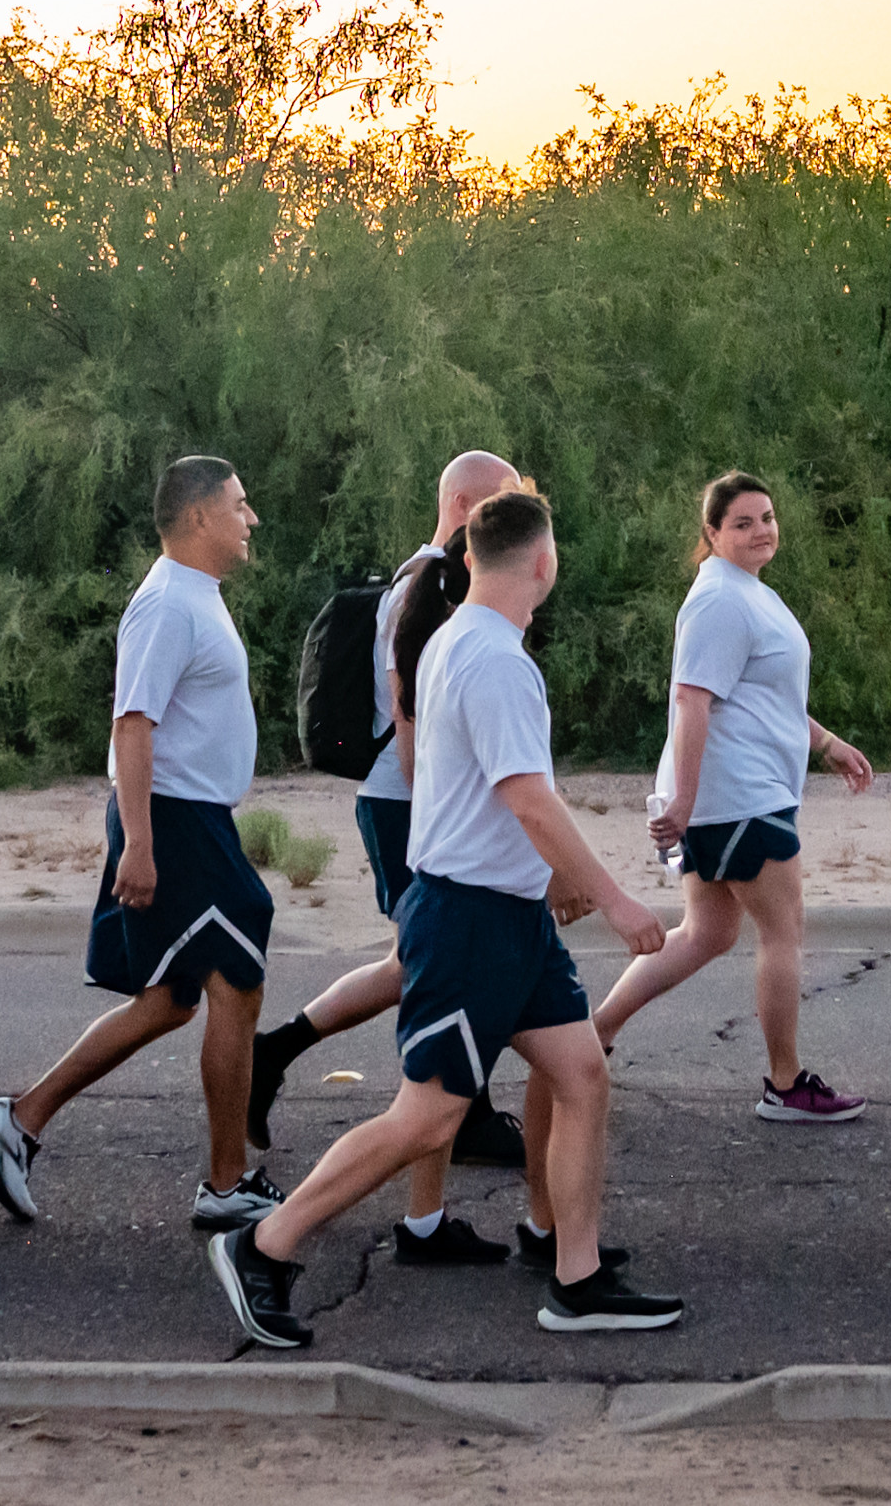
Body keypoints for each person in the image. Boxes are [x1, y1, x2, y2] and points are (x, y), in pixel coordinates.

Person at [212, 490, 684, 1345]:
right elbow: (528, 799)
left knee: (580, 1074)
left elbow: (470, 792)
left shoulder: (453, 641)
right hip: (469, 919)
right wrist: (614, 898)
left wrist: (543, 885)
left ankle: (574, 1277)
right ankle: (265, 1246)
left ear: (471, 556)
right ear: (542, 564)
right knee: (427, 1117)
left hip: (503, 914)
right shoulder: (497, 661)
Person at [0, 458, 283, 1232]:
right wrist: (139, 844)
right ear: (201, 516)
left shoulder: (195, 597)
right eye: (241, 507)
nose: (252, 520)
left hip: (193, 818)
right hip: (175, 821)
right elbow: (131, 723)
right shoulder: (167, 605)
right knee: (238, 980)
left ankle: (20, 1117)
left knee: (173, 1000)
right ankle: (224, 1184)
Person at [243, 450, 528, 1269]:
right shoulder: (427, 588)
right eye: (508, 499)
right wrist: (441, 806)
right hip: (410, 803)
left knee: (417, 960)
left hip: (410, 801)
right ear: (468, 503)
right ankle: (441, 1121)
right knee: (435, 963)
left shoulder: (436, 579)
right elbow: (409, 716)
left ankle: (285, 1054)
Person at [589, 471, 877, 1120]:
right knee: (784, 931)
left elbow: (762, 699)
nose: (760, 531)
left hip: (737, 794)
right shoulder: (719, 599)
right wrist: (685, 801)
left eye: (767, 518)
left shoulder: (748, 593)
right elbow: (693, 699)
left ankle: (592, 1034)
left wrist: (827, 742)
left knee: (706, 933)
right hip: (737, 796)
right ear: (712, 534)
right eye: (742, 523)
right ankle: (785, 1083)